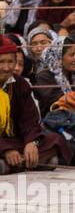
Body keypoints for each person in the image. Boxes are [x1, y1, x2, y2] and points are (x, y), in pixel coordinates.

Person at [0, 37, 52, 175]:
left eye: (10, 62)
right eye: (1, 62)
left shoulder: (20, 83)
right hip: (3, 144)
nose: (6, 67)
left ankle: (15, 163)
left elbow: (30, 119)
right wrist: (6, 149)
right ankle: (32, 162)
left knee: (54, 140)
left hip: (15, 140)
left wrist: (31, 142)